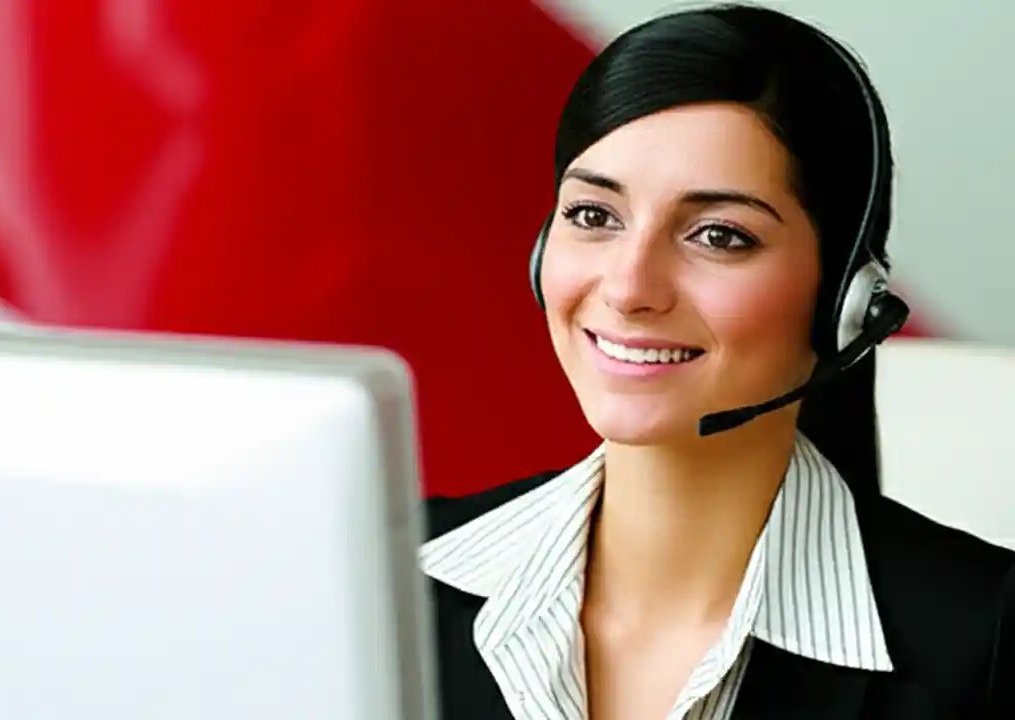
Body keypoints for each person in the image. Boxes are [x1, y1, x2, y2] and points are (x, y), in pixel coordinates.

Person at [418, 4, 1015, 719]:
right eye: (594, 216)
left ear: (846, 301)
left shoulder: (987, 643)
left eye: (719, 235)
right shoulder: (380, 572)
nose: (629, 288)